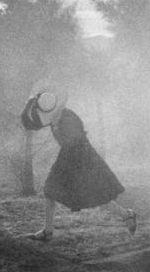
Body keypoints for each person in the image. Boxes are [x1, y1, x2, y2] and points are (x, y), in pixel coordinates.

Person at [20, 83, 137, 241]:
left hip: (83, 160)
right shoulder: (54, 118)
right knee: (50, 191)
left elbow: (74, 142)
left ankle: (126, 214)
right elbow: (31, 124)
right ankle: (47, 231)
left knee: (97, 195)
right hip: (68, 159)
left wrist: (68, 164)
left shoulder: (68, 117)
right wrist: (37, 108)